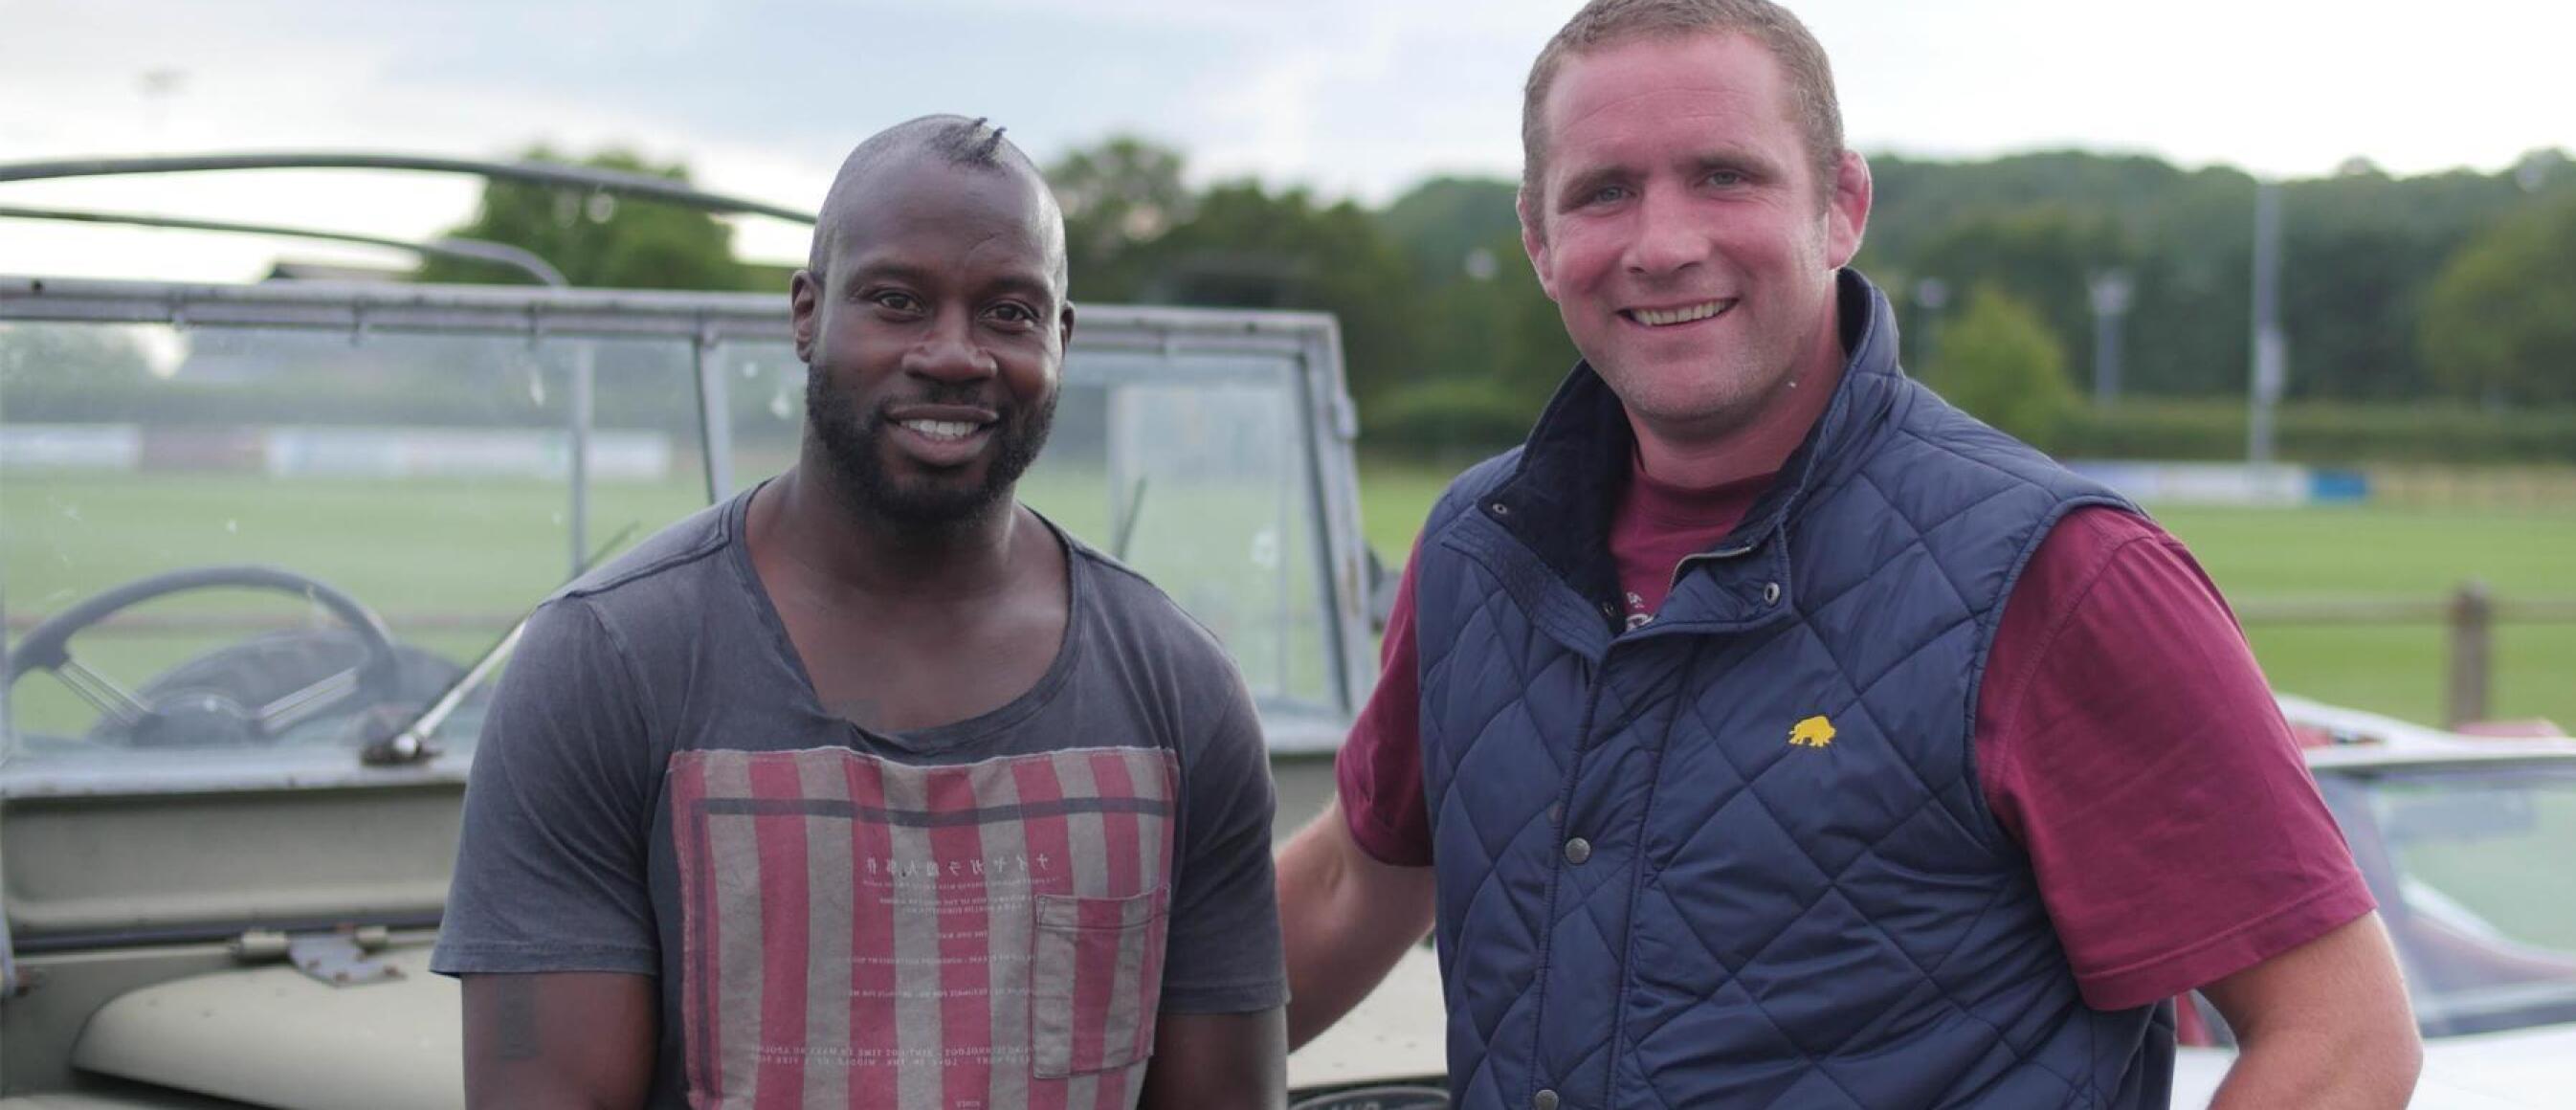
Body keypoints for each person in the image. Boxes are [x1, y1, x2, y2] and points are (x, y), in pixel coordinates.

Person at [1275, 2, 2422, 1107]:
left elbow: (2344, 1034)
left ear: (1841, 205)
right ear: (1538, 238)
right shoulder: (1480, 553)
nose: (1664, 244)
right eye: (1604, 192)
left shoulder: (2057, 576)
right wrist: (1107, 1042)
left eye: (1725, 174)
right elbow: (1347, 887)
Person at [435, 115, 1288, 1110]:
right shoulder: (606, 662)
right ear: (806, 314)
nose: (954, 353)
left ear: (1062, 338)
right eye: (897, 300)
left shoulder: (1178, 689)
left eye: (1009, 312)